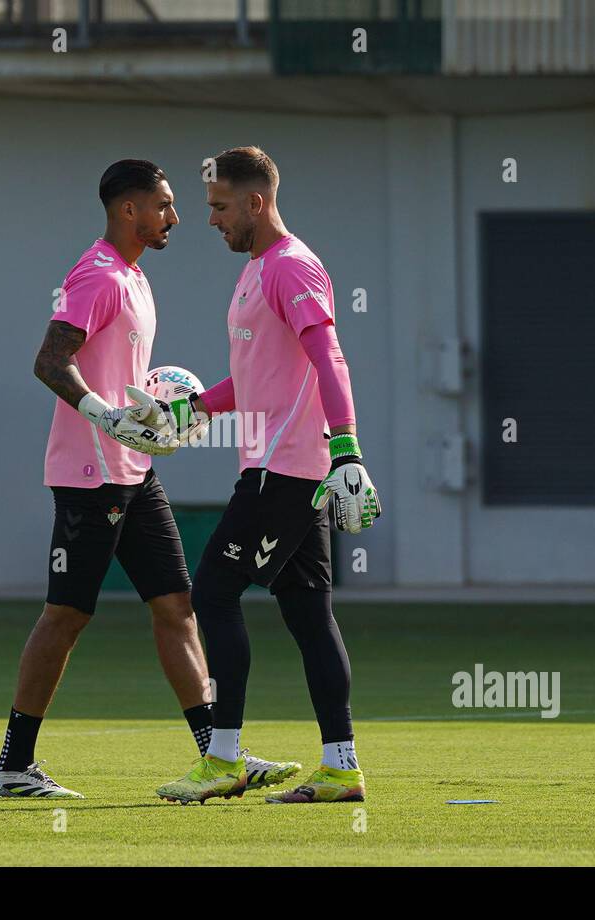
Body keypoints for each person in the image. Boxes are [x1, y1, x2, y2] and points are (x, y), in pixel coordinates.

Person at [0, 159, 299, 799]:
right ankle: (13, 765)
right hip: (89, 477)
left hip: (134, 472)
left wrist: (158, 421)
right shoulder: (97, 275)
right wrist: (107, 418)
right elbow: (49, 361)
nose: (177, 218)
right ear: (128, 209)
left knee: (177, 608)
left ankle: (220, 755)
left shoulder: (135, 278)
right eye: (163, 205)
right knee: (67, 615)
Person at [155, 147, 382, 804]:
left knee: (213, 595)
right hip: (280, 465)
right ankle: (341, 767)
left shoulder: (292, 267)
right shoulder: (258, 271)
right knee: (309, 613)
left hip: (283, 471)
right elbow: (258, 378)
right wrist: (195, 406)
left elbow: (329, 357)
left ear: (256, 202)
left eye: (220, 206)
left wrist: (348, 450)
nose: (210, 219)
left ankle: (224, 757)